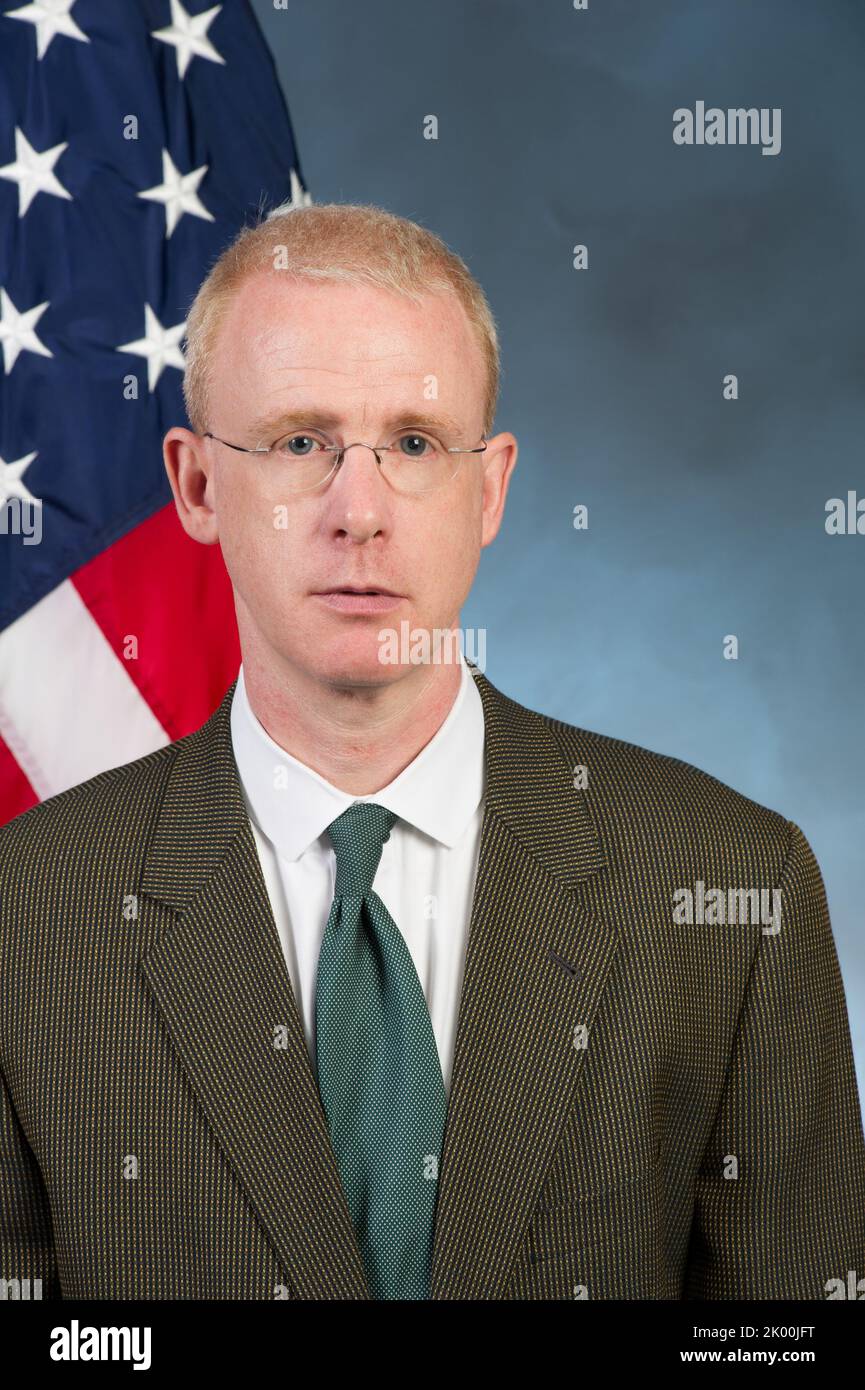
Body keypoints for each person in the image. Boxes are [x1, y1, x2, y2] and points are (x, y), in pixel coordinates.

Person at [1, 202, 863, 1301]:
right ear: (198, 486)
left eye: (412, 442)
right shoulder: (23, 919)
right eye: (301, 440)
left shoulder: (732, 885)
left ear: (491, 485)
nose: (358, 510)